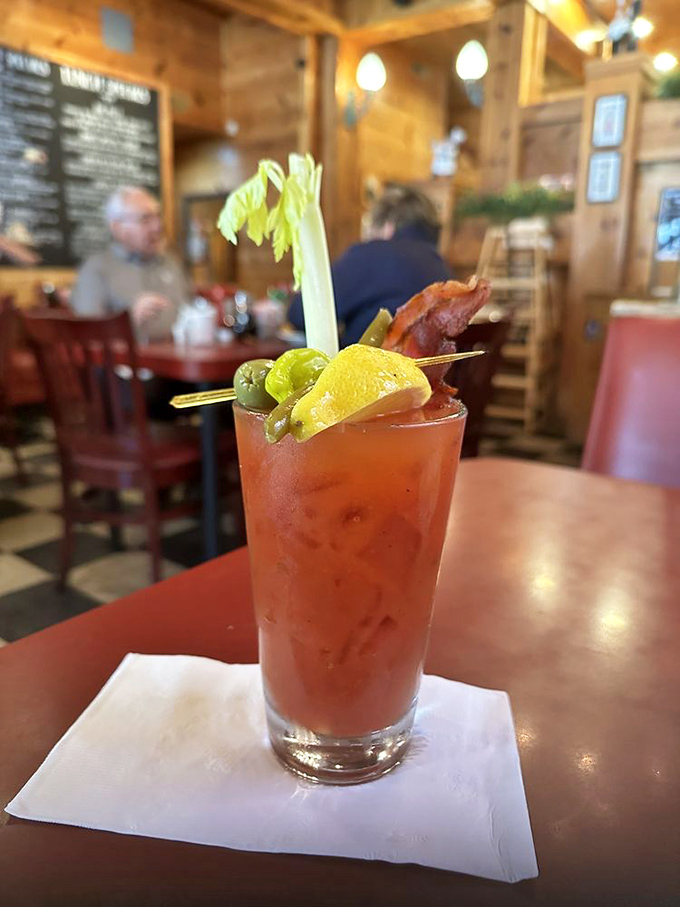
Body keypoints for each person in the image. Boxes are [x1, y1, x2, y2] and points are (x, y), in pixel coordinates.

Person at [288, 184, 453, 346]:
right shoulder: (441, 267)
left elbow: (301, 314)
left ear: (388, 226)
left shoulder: (374, 253)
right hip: (423, 371)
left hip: (367, 370)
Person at [70, 186, 191, 341]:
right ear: (117, 228)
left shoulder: (172, 263)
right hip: (127, 364)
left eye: (157, 217)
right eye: (145, 220)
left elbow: (194, 310)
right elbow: (88, 335)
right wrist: (127, 321)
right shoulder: (95, 269)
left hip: (182, 360)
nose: (157, 226)